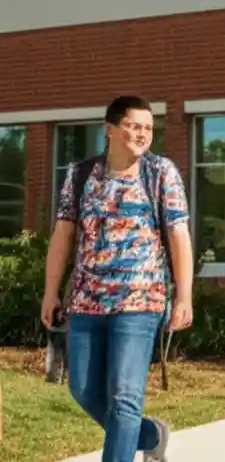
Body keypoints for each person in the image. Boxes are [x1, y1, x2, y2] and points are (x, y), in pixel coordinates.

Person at [40, 95, 194, 462]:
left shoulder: (161, 173)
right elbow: (62, 234)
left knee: (125, 396)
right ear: (109, 129)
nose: (143, 134)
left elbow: (178, 235)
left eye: (148, 128)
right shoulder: (80, 175)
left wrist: (184, 295)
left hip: (141, 301)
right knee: (83, 390)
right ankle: (150, 434)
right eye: (134, 126)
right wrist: (50, 292)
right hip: (86, 300)